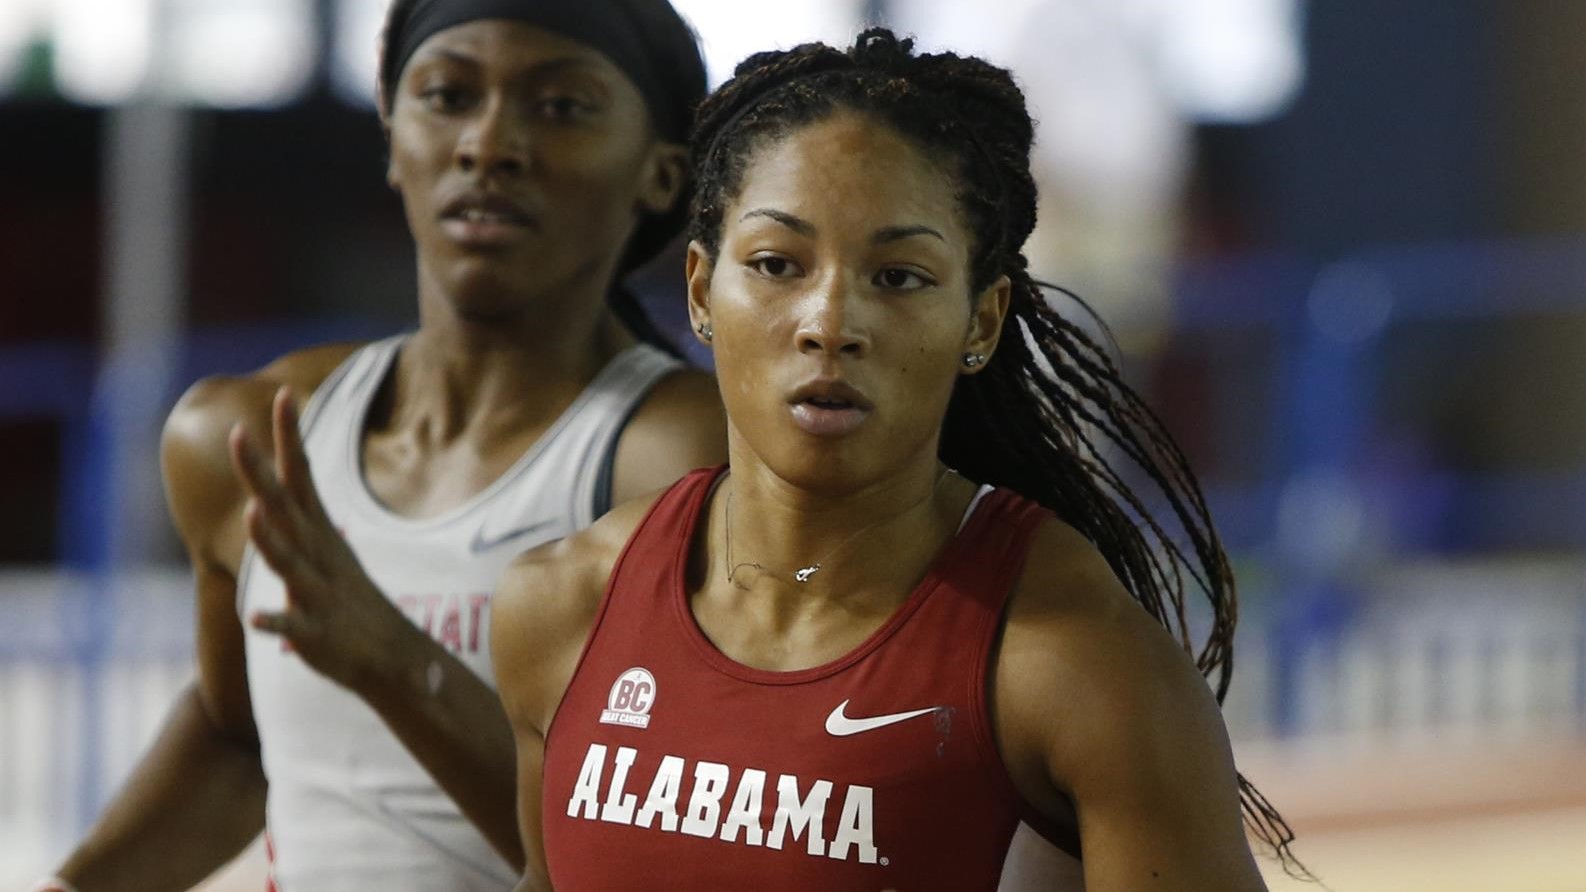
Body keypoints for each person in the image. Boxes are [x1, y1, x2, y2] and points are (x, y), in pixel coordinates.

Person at [490, 28, 1301, 891]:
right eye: (775, 264)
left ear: (981, 322)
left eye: (900, 277)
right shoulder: (561, 609)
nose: (830, 323)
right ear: (700, 291)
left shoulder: (1078, 671)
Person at [40, 2, 724, 890]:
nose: (489, 144)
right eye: (446, 95)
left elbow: (643, 853)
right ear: (392, 135)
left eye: (561, 107)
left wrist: (394, 661)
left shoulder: (677, 462)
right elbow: (239, 738)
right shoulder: (249, 436)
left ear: (661, 174)